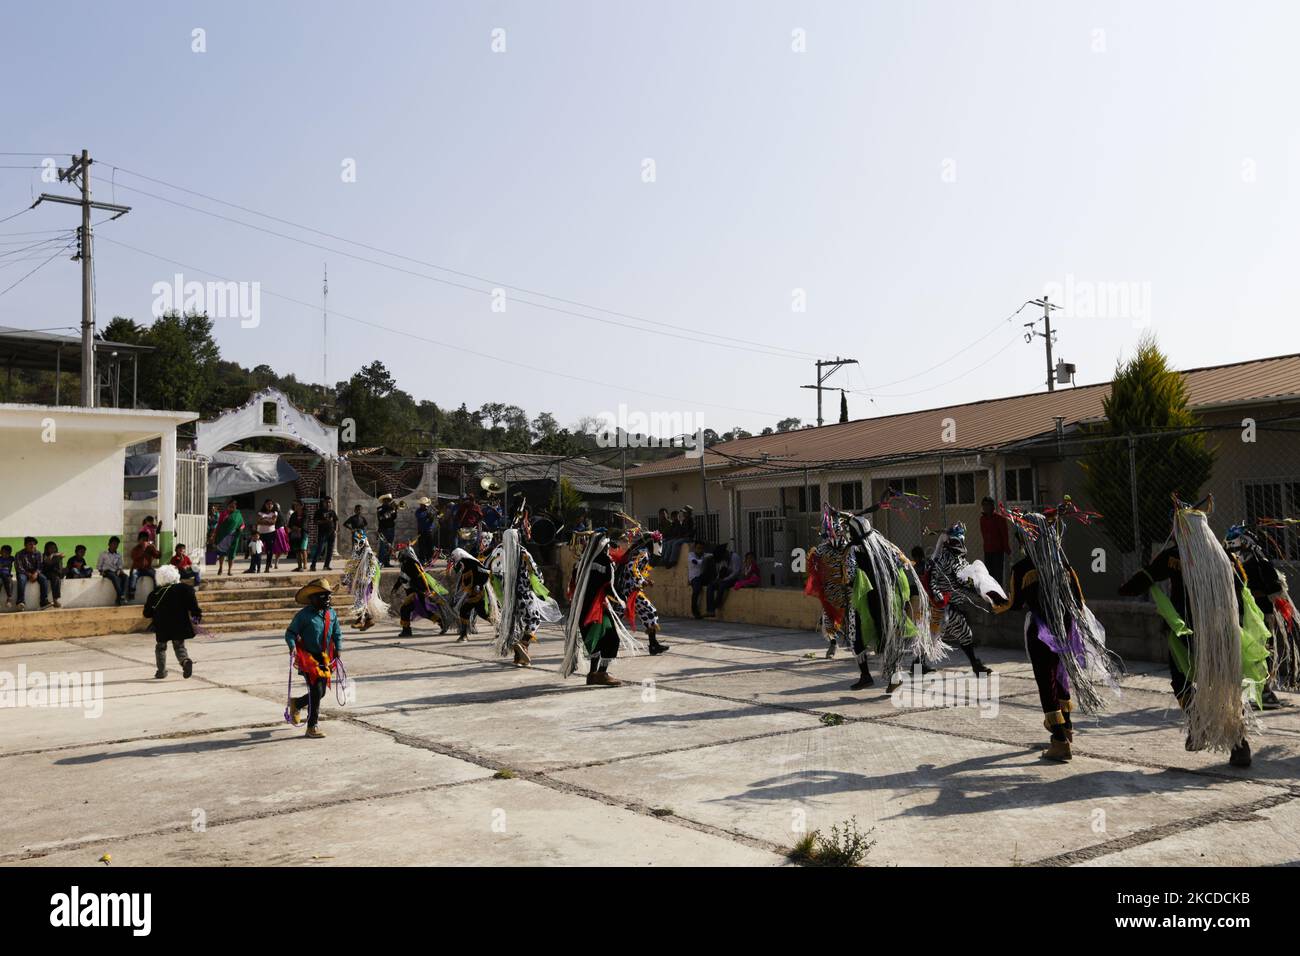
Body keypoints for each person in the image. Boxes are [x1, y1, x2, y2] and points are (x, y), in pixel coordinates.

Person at [1118, 500, 1267, 768]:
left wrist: (1124, 589)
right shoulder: (1224, 557)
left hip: (1186, 632)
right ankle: (1239, 745)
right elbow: (1242, 588)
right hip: (1222, 632)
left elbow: (1145, 578)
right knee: (1227, 685)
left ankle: (1199, 726)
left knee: (1181, 679)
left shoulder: (1175, 556)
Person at [996, 503, 1121, 762]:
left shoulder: (1022, 568)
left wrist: (992, 598)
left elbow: (1013, 604)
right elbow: (1078, 601)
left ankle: (1059, 742)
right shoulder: (1062, 565)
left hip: (1040, 632)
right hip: (1066, 630)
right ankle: (1067, 728)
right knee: (1063, 678)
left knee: (1047, 683)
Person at [841, 512, 936, 693]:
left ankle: (866, 675)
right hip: (889, 598)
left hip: (864, 600)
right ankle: (895, 676)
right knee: (887, 634)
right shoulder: (882, 544)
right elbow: (903, 564)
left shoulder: (854, 549)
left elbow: (850, 575)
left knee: (856, 637)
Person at [1224, 523, 1296, 707]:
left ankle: (1261, 692)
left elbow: (1274, 587)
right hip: (1249, 615)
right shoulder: (1244, 563)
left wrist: (1257, 594)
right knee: (1253, 653)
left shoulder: (1251, 562)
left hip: (1254, 615)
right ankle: (1257, 693)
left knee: (1257, 653)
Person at [562, 531, 637, 686]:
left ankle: (592, 674)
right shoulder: (605, 562)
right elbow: (610, 587)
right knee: (611, 639)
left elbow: (572, 585)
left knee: (594, 640)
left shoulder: (581, 562)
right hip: (596, 610)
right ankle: (601, 673)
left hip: (580, 609)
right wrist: (622, 601)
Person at [927, 523, 1000, 676]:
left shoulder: (958, 559)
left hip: (951, 604)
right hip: (943, 605)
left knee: (943, 636)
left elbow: (964, 579)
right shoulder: (944, 558)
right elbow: (935, 579)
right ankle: (976, 665)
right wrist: (937, 596)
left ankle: (975, 665)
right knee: (956, 634)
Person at [493, 527, 562, 667]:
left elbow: (495, 573)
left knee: (516, 625)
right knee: (534, 620)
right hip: (524, 594)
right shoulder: (523, 552)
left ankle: (519, 658)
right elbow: (535, 571)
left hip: (509, 597)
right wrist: (540, 583)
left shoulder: (500, 552)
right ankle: (523, 644)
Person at [284, 578, 343, 739]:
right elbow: (290, 633)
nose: (327, 599)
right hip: (307, 657)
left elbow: (337, 633)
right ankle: (312, 726)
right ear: (312, 598)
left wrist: (338, 647)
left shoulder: (332, 614)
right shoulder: (303, 616)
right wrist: (292, 646)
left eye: (328, 596)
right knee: (316, 691)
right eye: (323, 596)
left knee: (321, 692)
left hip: (324, 658)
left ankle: (297, 703)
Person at [612, 526, 669, 655]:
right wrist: (642, 581)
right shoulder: (642, 552)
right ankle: (653, 645)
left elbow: (638, 569)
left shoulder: (641, 551)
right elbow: (633, 568)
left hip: (631, 590)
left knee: (645, 612)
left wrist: (644, 580)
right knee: (647, 611)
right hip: (629, 590)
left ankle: (653, 645)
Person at [144, 564, 200, 679]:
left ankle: (161, 671)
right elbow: (194, 607)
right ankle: (185, 661)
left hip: (162, 625)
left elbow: (147, 613)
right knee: (179, 646)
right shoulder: (185, 589)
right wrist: (196, 618)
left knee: (161, 647)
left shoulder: (155, 593)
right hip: (180, 623)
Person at [391, 545, 454, 637]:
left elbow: (422, 578)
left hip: (417, 592)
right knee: (423, 611)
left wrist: (426, 591)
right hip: (413, 592)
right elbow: (401, 578)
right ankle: (441, 622)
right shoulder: (405, 564)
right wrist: (395, 588)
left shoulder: (413, 565)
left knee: (405, 609)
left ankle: (407, 630)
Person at [448, 547, 496, 642]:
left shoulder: (472, 563)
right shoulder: (463, 564)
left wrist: (479, 585)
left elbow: (486, 573)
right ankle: (500, 625)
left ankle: (463, 635)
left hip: (477, 593)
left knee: (464, 610)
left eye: (454, 556)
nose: (453, 559)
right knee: (482, 613)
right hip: (469, 593)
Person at [341, 531, 386, 631]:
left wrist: (367, 579)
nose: (358, 544)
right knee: (361, 601)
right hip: (357, 581)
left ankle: (361, 621)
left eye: (360, 542)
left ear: (364, 541)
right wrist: (346, 579)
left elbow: (373, 567)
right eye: (356, 542)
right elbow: (351, 567)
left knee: (360, 601)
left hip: (365, 582)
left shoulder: (369, 553)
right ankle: (368, 620)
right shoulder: (356, 553)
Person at [979, 496, 1011, 587]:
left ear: (992, 506)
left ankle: (998, 594)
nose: (985, 507)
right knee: (989, 574)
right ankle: (991, 595)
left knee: (998, 574)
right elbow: (984, 534)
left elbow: (1004, 534)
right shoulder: (982, 519)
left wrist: (1006, 548)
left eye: (987, 505)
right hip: (988, 550)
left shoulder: (999, 518)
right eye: (984, 505)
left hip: (998, 550)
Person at [707, 543, 743, 615]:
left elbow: (735, 573)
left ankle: (716, 604)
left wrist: (724, 579)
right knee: (711, 585)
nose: (723, 559)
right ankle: (710, 609)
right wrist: (718, 579)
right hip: (726, 578)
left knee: (722, 586)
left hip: (735, 579)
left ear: (725, 553)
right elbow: (721, 571)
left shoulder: (735, 557)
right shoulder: (724, 560)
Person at [212, 500, 245, 577]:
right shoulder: (223, 514)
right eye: (230, 506)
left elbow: (243, 524)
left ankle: (229, 570)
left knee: (232, 554)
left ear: (236, 507)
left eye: (234, 506)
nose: (232, 508)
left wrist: (241, 528)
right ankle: (220, 567)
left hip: (233, 537)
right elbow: (219, 524)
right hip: (223, 536)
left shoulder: (238, 514)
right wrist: (214, 535)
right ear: (228, 506)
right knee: (221, 553)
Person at [14, 537, 49, 611]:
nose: (32, 546)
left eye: (34, 544)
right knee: (21, 579)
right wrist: (29, 575)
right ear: (25, 545)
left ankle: (44, 602)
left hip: (35, 572)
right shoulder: (19, 554)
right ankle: (20, 602)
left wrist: (35, 574)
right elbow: (19, 567)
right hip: (23, 573)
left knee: (44, 579)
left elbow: (40, 566)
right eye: (30, 544)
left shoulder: (38, 553)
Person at [128, 532, 160, 601]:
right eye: (143, 540)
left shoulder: (150, 548)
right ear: (139, 540)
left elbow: (158, 556)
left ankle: (156, 592)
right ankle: (131, 592)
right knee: (134, 574)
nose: (144, 542)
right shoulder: (136, 549)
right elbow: (134, 557)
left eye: (146, 540)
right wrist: (143, 550)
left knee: (156, 575)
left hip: (147, 569)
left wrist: (154, 548)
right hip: (137, 569)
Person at [96, 537, 129, 605]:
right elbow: (99, 566)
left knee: (125, 577)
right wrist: (101, 571)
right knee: (114, 577)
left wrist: (119, 570)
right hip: (106, 571)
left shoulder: (118, 555)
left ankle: (120, 597)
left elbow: (120, 565)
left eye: (117, 544)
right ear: (109, 544)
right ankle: (122, 596)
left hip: (116, 571)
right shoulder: (103, 554)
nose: (115, 546)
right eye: (114, 544)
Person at [687, 540, 714, 619]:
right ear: (695, 548)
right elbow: (695, 562)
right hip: (694, 578)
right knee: (696, 590)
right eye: (698, 548)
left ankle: (710, 610)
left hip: (703, 577)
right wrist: (705, 560)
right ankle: (695, 611)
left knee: (711, 585)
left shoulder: (705, 555)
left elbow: (712, 555)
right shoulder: (690, 555)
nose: (700, 550)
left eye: (702, 548)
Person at [310, 497, 339, 572]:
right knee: (320, 549)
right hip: (322, 533)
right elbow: (315, 521)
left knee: (330, 550)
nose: (328, 504)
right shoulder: (319, 511)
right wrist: (325, 521)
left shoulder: (332, 512)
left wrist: (335, 530)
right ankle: (313, 565)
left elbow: (336, 521)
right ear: (323, 503)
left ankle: (326, 565)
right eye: (327, 502)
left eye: (329, 502)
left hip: (331, 533)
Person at [376, 494, 399, 567]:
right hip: (383, 529)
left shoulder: (391, 508)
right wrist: (391, 511)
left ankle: (387, 562)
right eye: (386, 500)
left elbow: (394, 517)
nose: (388, 502)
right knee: (382, 546)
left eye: (389, 500)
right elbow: (382, 518)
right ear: (383, 501)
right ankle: (380, 562)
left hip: (391, 529)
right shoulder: (379, 509)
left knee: (389, 546)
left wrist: (395, 510)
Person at [256, 500, 279, 571]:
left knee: (269, 551)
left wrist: (264, 519)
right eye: (268, 504)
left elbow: (273, 522)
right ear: (264, 505)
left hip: (270, 533)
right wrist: (268, 520)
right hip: (260, 534)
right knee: (257, 550)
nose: (269, 505)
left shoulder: (274, 513)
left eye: (271, 504)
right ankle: (256, 567)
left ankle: (267, 567)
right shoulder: (260, 513)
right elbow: (258, 521)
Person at [41, 541, 64, 609]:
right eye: (50, 548)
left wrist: (53, 555)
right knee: (56, 578)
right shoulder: (44, 555)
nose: (52, 549)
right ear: (47, 549)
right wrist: (51, 556)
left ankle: (60, 573)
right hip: (47, 573)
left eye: (54, 548)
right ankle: (55, 600)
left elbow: (63, 554)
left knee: (66, 569)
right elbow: (47, 562)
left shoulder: (57, 554)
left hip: (57, 572)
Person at [288, 501, 309, 572]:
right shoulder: (293, 514)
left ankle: (305, 565)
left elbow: (304, 524)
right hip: (295, 534)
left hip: (304, 533)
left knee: (303, 549)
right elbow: (290, 524)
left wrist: (299, 528)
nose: (296, 507)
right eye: (295, 505)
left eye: (297, 505)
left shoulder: (305, 514)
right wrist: (296, 528)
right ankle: (299, 566)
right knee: (297, 550)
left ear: (302, 506)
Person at [414, 497, 436, 564]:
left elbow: (432, 520)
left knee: (430, 546)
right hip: (422, 531)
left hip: (429, 531)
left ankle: (429, 560)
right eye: (423, 504)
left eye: (425, 505)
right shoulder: (418, 511)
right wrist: (428, 514)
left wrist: (432, 516)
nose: (424, 506)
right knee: (422, 546)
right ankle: (422, 560)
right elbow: (420, 517)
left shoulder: (429, 510)